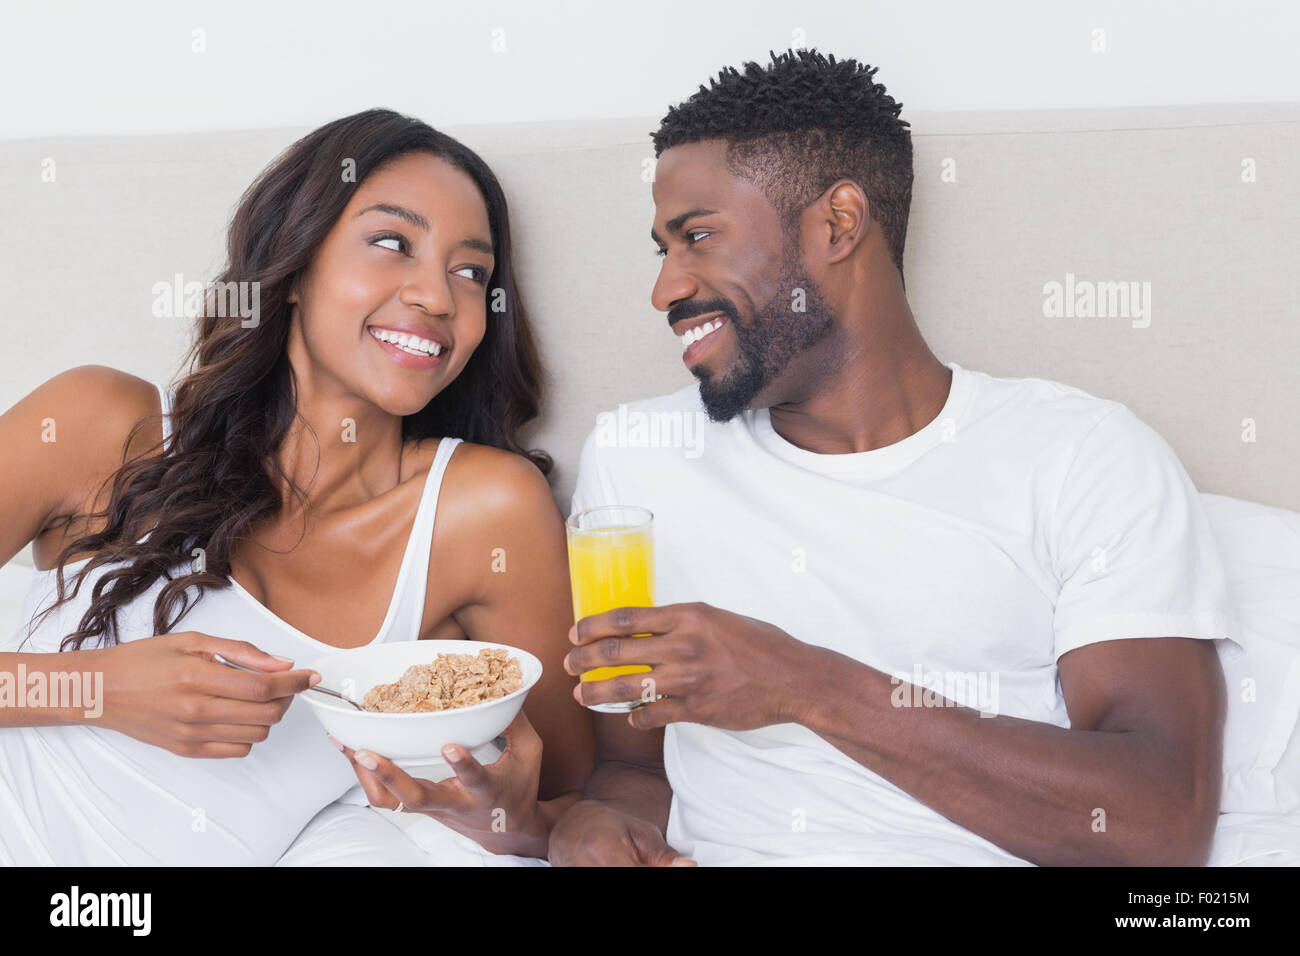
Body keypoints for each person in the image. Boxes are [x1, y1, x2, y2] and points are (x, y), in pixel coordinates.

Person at [548, 50, 1236, 867]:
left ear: (839, 222)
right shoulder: (637, 458)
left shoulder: (1081, 456)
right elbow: (633, 764)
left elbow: (1158, 825)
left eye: (697, 237)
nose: (665, 290)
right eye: (662, 249)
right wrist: (587, 825)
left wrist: (805, 685)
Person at [0, 108, 593, 865]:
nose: (438, 298)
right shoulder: (100, 424)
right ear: (292, 266)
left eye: (470, 271)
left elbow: (573, 796)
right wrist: (96, 690)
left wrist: (509, 816)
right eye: (391, 243)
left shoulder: (482, 513)